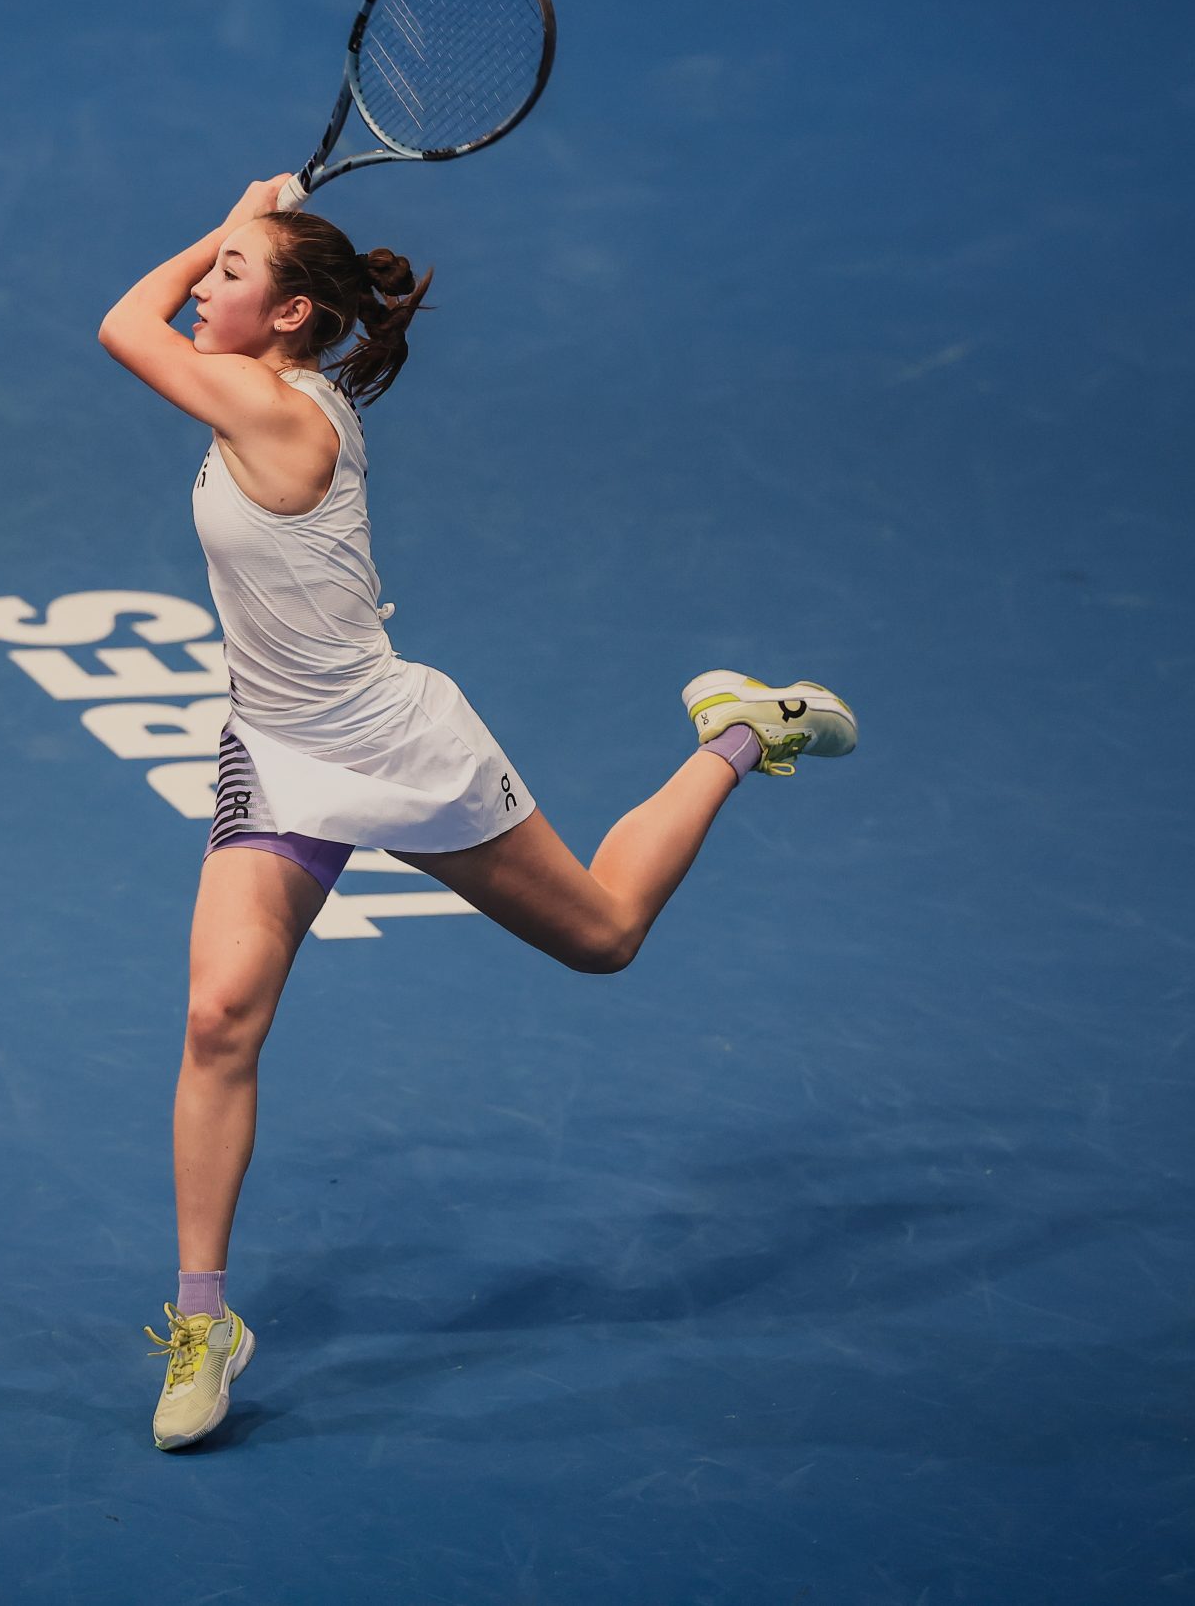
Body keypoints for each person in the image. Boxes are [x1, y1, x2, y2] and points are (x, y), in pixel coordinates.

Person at [96, 176, 857, 1450]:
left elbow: (124, 323)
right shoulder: (261, 378)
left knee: (605, 935)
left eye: (229, 275)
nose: (202, 290)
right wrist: (244, 238)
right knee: (218, 1015)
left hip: (396, 745)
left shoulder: (269, 406)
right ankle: (203, 1316)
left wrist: (232, 211)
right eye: (213, 270)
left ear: (287, 318)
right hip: (278, 753)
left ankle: (742, 730)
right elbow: (171, 319)